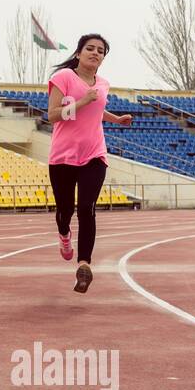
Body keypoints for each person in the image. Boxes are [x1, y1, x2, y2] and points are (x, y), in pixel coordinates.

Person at [45, 33, 132, 293]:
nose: (95, 53)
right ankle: (64, 235)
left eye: (101, 51)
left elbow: (97, 110)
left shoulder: (103, 84)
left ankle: (84, 265)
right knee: (65, 212)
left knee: (86, 208)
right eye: (90, 49)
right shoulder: (63, 78)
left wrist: (115, 120)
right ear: (78, 53)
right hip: (62, 156)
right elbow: (52, 116)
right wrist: (82, 102)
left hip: (94, 154)